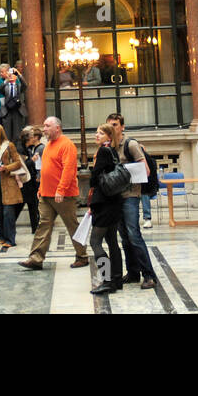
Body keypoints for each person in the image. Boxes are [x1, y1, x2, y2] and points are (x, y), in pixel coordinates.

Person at [20, 117, 89, 270]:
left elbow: (69, 170)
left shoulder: (67, 145)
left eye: (47, 126)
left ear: (57, 128)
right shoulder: (48, 145)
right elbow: (45, 170)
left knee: (72, 226)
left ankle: (82, 256)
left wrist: (61, 189)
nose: (44, 129)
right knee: (43, 226)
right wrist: (40, 189)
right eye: (44, 126)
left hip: (63, 196)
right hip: (46, 194)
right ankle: (36, 258)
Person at [105, 113, 157, 289]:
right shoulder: (109, 146)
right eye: (109, 125)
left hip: (131, 195)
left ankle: (149, 275)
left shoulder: (131, 144)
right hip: (116, 197)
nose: (112, 128)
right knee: (125, 237)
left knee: (134, 234)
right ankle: (133, 272)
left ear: (122, 127)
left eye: (115, 124)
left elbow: (146, 170)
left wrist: (123, 172)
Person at [85, 123, 126, 295]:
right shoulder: (114, 152)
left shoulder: (102, 151)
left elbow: (95, 179)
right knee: (112, 242)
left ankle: (107, 280)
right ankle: (116, 279)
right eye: (96, 132)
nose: (96, 135)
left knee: (95, 242)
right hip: (115, 202)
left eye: (100, 133)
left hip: (104, 204)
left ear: (108, 137)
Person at [17, 126, 43, 234]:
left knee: (33, 205)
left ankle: (35, 227)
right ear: (27, 138)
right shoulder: (21, 149)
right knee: (20, 206)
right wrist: (32, 160)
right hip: (25, 182)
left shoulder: (28, 148)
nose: (34, 138)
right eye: (32, 136)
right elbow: (21, 166)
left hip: (30, 182)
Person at [0, 68, 26, 142]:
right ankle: (7, 150)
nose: (11, 76)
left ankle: (16, 151)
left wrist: (18, 73)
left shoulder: (19, 86)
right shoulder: (5, 85)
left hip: (17, 111)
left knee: (17, 134)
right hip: (7, 111)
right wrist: (6, 80)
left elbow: (25, 84)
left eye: (13, 75)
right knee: (7, 134)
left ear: (16, 77)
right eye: (9, 75)